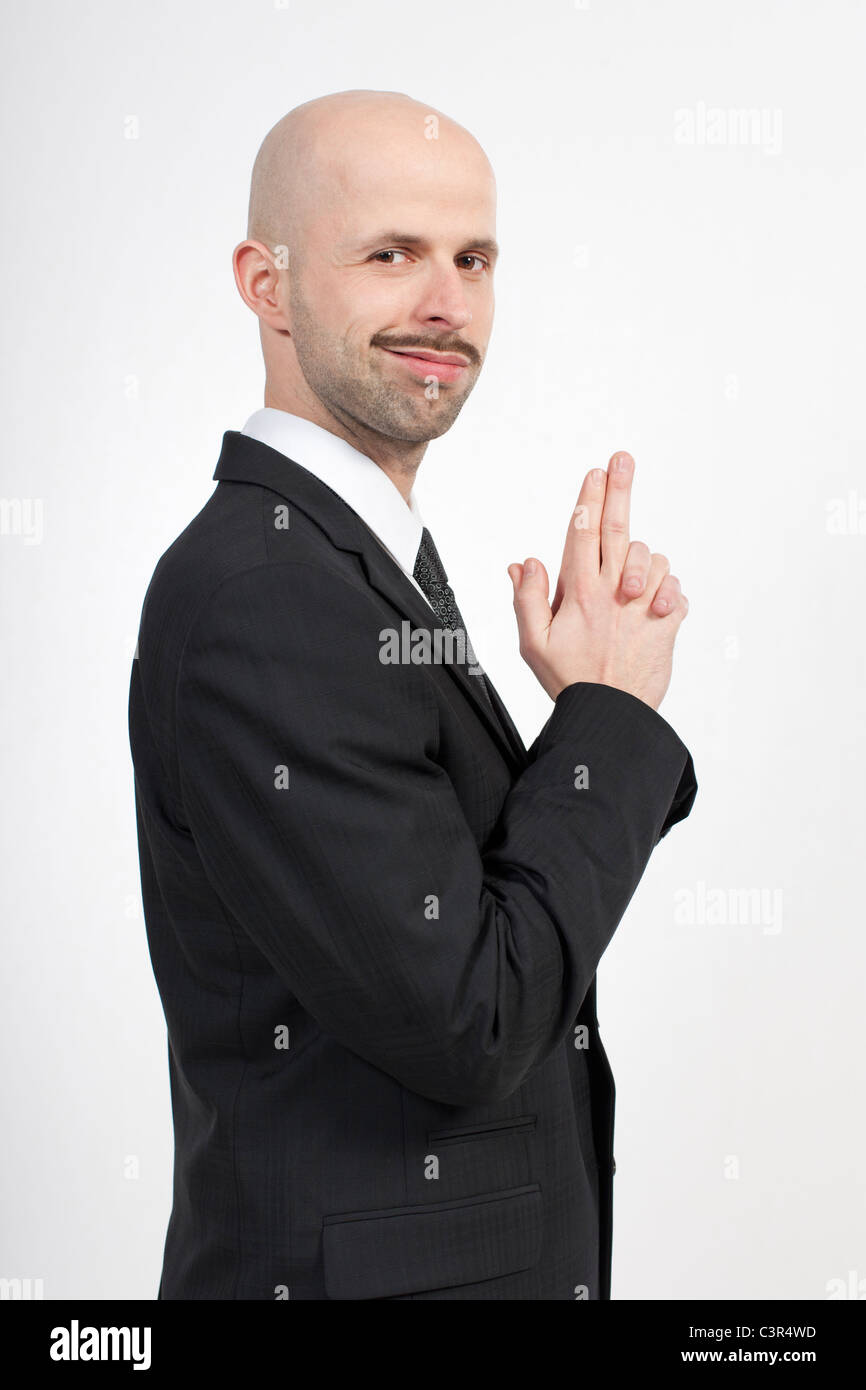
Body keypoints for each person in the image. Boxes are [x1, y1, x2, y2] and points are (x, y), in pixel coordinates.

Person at [128, 88, 697, 1301]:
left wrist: (583, 723)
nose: (446, 304)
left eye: (473, 258)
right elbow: (469, 1017)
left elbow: (438, 923)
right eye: (390, 254)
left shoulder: (346, 559)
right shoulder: (269, 593)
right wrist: (609, 719)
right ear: (265, 283)